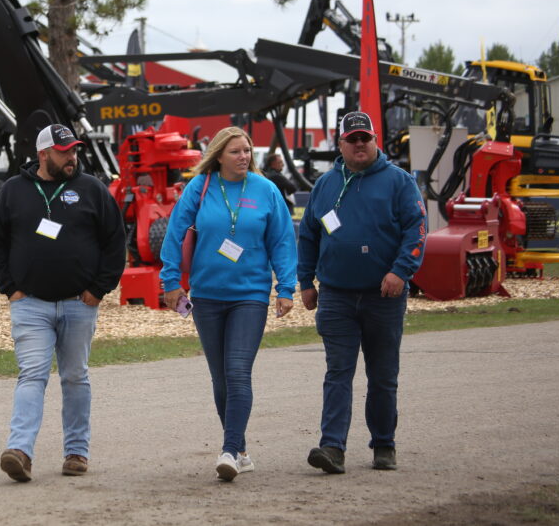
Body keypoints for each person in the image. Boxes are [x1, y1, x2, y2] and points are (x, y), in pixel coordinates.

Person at [0, 123, 125, 482]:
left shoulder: (92, 189)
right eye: (65, 151)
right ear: (43, 154)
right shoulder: (13, 191)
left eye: (75, 150)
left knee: (75, 377)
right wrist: (9, 288)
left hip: (80, 304)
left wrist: (99, 290)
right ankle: (19, 451)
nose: (72, 157)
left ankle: (76, 452)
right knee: (32, 374)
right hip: (30, 304)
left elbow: (114, 243)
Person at [160, 126, 298, 482]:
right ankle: (241, 449)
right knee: (220, 377)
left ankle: (228, 450)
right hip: (206, 296)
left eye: (247, 151)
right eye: (236, 151)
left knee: (237, 370)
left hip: (249, 296)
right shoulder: (200, 187)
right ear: (219, 155)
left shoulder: (266, 190)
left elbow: (283, 240)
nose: (244, 157)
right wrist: (171, 281)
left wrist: (285, 287)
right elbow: (175, 232)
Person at [297, 111, 426, 474]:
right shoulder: (325, 185)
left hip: (383, 296)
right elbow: (308, 234)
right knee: (338, 371)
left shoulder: (399, 182)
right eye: (351, 139)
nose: (358, 144)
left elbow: (416, 230)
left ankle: (384, 443)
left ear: (375, 141)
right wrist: (306, 281)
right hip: (336, 295)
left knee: (382, 374)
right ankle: (332, 447)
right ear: (340, 144)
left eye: (364, 138)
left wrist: (401, 271)